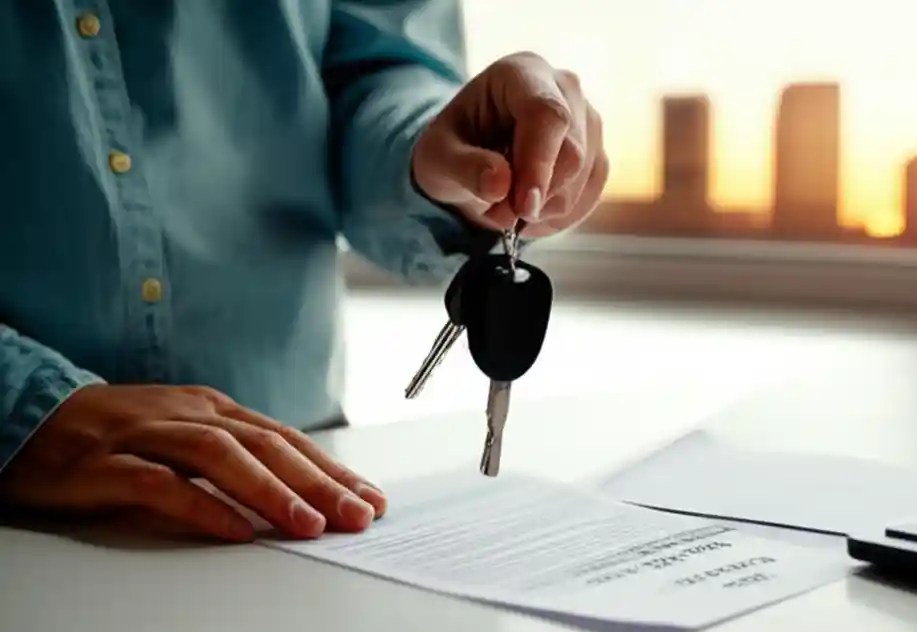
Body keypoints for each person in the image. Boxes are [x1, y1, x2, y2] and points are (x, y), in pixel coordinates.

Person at [0, 2, 607, 542]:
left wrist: (443, 150)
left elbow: (375, 66)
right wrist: (24, 405)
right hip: (22, 510)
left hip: (292, 488)